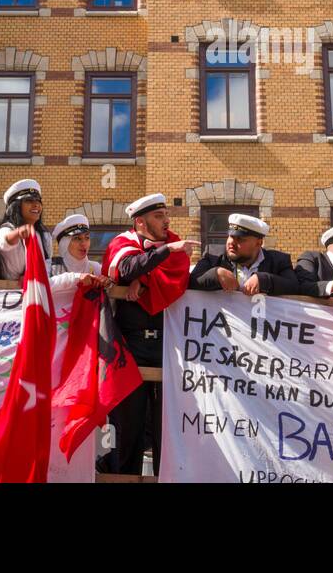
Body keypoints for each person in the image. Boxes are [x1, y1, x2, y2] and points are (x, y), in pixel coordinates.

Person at [101, 193, 197, 476]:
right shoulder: (124, 242)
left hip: (167, 344)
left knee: (166, 426)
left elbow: (178, 276)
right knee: (129, 424)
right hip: (131, 344)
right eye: (159, 216)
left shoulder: (172, 242)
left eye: (166, 214)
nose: (166, 221)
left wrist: (144, 278)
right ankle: (123, 477)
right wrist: (162, 255)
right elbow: (125, 268)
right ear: (140, 222)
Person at [190, 214, 300, 296]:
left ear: (259, 243)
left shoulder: (279, 261)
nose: (231, 243)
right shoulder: (212, 255)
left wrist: (264, 280)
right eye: (230, 237)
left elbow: (295, 287)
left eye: (240, 239)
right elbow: (190, 282)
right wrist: (216, 274)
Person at [0, 179, 53, 281]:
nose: (36, 205)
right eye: (29, 201)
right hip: (10, 291)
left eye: (38, 201)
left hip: (35, 290)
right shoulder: (7, 229)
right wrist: (18, 233)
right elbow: (3, 242)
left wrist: (33, 275)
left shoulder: (44, 235)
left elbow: (47, 264)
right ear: (15, 207)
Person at [49, 213, 111, 294]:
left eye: (87, 238)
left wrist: (107, 283)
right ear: (64, 243)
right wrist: (76, 278)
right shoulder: (51, 268)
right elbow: (39, 288)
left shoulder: (96, 269)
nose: (84, 243)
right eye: (77, 238)